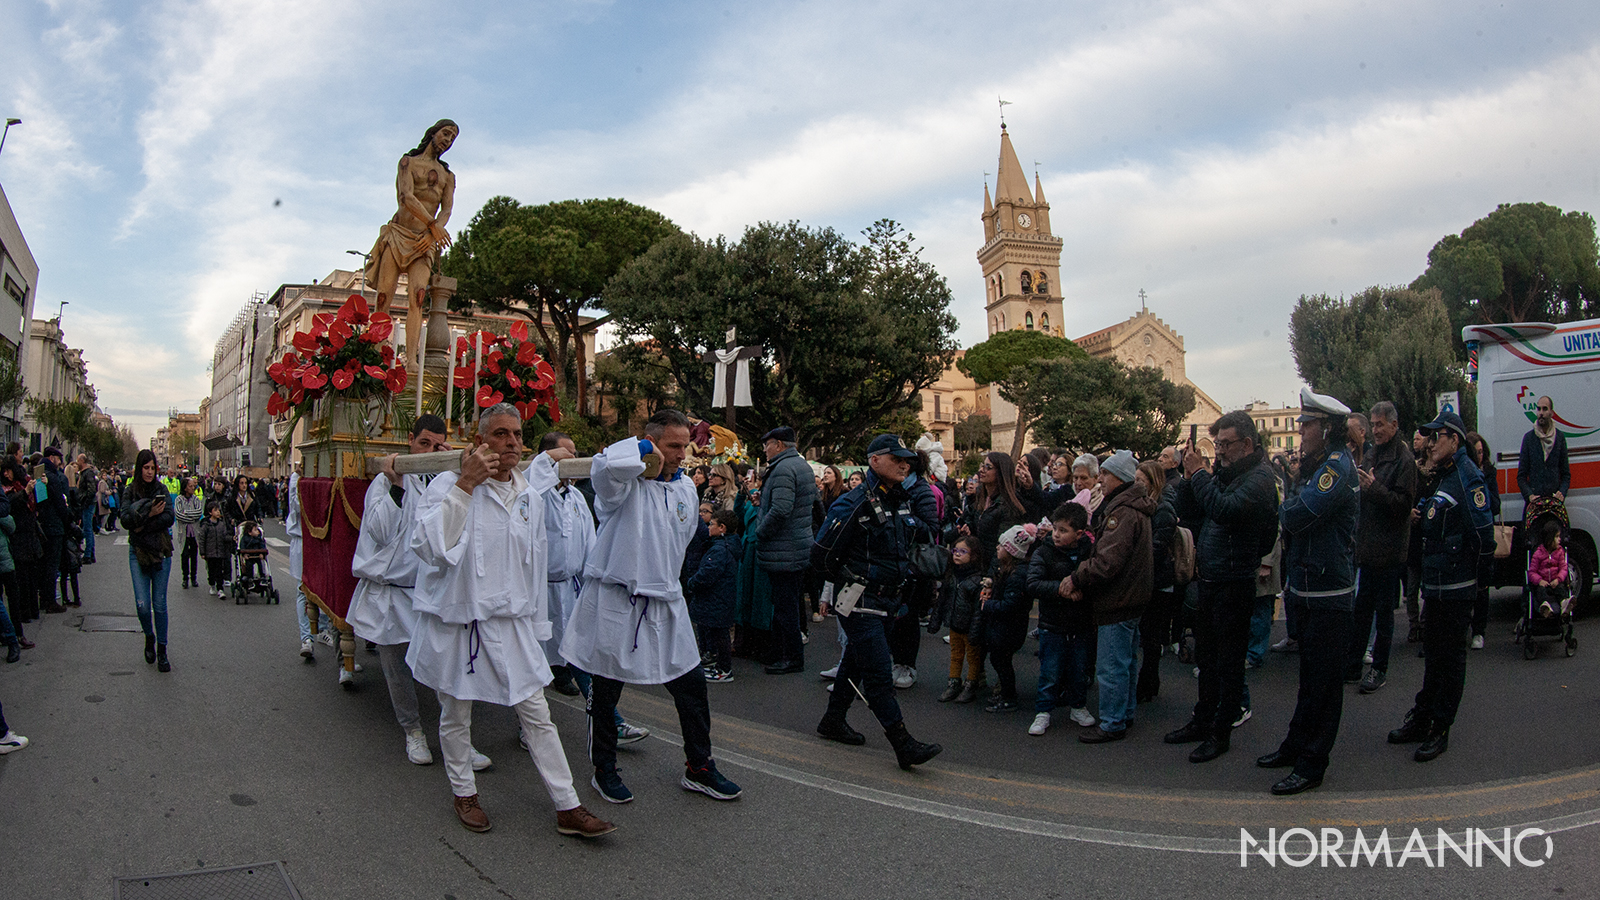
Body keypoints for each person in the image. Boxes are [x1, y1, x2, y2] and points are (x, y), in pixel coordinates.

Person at [407, 403, 614, 838]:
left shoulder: (528, 497)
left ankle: (567, 804)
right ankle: (464, 793)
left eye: (518, 435)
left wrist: (540, 629)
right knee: (456, 713)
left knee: (538, 713)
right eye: (501, 434)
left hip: (513, 623)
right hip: (463, 624)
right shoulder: (448, 484)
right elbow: (428, 547)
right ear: (481, 440)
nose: (512, 443)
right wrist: (465, 485)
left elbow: (534, 566)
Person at [562, 408, 743, 804]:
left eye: (685, 446)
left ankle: (699, 767)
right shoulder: (620, 487)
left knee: (692, 688)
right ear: (652, 444)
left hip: (665, 603)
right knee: (606, 690)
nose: (682, 454)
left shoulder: (684, 490)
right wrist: (643, 452)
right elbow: (607, 468)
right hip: (617, 601)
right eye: (672, 446)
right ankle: (604, 769)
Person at [812, 433, 942, 768]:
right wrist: (853, 579)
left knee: (856, 661)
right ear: (874, 461)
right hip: (860, 601)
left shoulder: (900, 499)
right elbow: (823, 556)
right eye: (896, 458)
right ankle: (903, 744)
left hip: (888, 600)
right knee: (878, 674)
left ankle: (832, 719)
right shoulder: (853, 502)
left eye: (907, 460)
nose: (904, 464)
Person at [350, 414, 472, 767]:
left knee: (442, 668)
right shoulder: (385, 482)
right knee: (398, 672)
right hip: (390, 596)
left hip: (428, 592)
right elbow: (380, 531)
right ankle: (413, 731)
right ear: (410, 440)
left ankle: (457, 739)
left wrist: (453, 473)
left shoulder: (445, 481)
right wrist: (397, 487)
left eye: (438, 446)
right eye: (425, 444)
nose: (431, 451)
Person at [1258, 388, 1359, 795]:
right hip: (1310, 587)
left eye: (1308, 425)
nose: (1302, 432)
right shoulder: (1319, 466)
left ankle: (1313, 762)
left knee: (1324, 683)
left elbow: (1297, 515)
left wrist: (1288, 505)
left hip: (1329, 592)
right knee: (1309, 680)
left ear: (1328, 427)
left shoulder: (1336, 467)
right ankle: (1296, 745)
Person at [1167, 411, 1280, 762]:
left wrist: (1200, 473)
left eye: (1226, 444)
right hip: (1214, 578)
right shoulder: (1229, 474)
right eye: (1217, 445)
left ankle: (1220, 732)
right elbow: (1189, 507)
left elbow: (1223, 508)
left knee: (1228, 663)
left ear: (1247, 444)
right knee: (1208, 656)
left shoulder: (1259, 478)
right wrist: (1191, 477)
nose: (1221, 452)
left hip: (1235, 581)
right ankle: (1203, 720)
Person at [1387, 410, 1495, 763]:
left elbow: (1483, 536)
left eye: (1437, 437)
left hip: (1455, 585)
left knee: (1449, 660)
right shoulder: (1445, 475)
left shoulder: (1467, 477)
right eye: (1429, 437)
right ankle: (1423, 717)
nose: (1431, 443)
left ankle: (1440, 727)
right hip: (1435, 584)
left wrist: (1468, 573)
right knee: (1433, 656)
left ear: (1454, 440)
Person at [1061, 450, 1154, 744]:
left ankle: (1113, 722)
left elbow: (1107, 562)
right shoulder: (1133, 507)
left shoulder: (1122, 512)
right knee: (1124, 662)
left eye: (1106, 474)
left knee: (1111, 665)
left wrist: (1076, 576)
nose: (1101, 479)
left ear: (1120, 478)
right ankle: (1123, 714)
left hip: (1119, 599)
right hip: (1132, 596)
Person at [366, 119, 458, 367]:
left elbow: (446, 210)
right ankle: (377, 352)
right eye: (445, 133)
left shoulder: (448, 176)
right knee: (384, 296)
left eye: (452, 138)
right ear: (433, 133)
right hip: (398, 234)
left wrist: (431, 233)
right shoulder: (408, 162)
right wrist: (433, 226)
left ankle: (412, 360)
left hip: (423, 241)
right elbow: (405, 197)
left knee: (417, 297)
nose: (448, 140)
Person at [1350, 401, 1419, 693]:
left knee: (1384, 613)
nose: (1375, 430)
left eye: (1380, 425)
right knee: (1362, 610)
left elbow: (1403, 506)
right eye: (1373, 424)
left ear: (1393, 424)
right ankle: (1353, 665)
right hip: (1367, 546)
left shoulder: (1404, 460)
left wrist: (1374, 489)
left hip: (1389, 550)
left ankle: (1379, 668)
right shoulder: (1372, 454)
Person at [1026, 502, 1096, 734]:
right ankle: (1043, 711)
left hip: (1080, 622)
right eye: (1055, 529)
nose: (1056, 534)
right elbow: (1033, 584)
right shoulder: (1044, 552)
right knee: (1050, 671)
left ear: (1079, 533)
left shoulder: (1088, 552)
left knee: (1079, 669)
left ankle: (1078, 706)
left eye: (1063, 530)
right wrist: (1060, 589)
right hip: (1052, 623)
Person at [755, 426, 819, 675]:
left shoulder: (783, 468)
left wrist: (760, 531)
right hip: (797, 545)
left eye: (767, 444)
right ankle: (780, 652)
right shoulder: (801, 466)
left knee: (785, 607)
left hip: (784, 548)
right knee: (788, 604)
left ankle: (790, 657)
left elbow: (781, 510)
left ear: (779, 445)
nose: (765, 449)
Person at [121, 449, 175, 672]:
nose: (150, 472)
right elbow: (125, 519)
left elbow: (169, 517)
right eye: (146, 468)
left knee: (159, 604)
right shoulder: (129, 491)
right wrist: (150, 515)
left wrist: (143, 524)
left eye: (153, 468)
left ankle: (162, 650)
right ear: (139, 468)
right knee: (143, 606)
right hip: (138, 552)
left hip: (160, 551)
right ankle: (149, 636)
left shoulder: (161, 489)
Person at [975, 523, 1037, 714]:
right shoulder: (1008, 572)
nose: (997, 548)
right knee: (999, 661)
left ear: (1010, 551)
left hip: (1008, 630)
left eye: (1001, 546)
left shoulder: (1017, 576)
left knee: (1002, 663)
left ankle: (1009, 696)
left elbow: (1010, 606)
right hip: (1004, 629)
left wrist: (988, 605)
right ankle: (1005, 693)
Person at [285, 466, 336, 663]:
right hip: (301, 539)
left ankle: (322, 629)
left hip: (319, 540)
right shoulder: (296, 479)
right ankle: (306, 638)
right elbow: (298, 505)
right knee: (302, 590)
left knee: (322, 589)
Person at [688, 509, 742, 682]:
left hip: (716, 598)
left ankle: (724, 669)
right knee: (715, 632)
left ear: (722, 528)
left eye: (712, 524)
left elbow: (707, 574)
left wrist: (692, 582)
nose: (708, 527)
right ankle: (716, 661)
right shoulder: (726, 545)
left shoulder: (719, 550)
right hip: (719, 597)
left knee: (720, 634)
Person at [938, 536, 986, 703]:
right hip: (954, 623)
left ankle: (971, 684)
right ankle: (953, 682)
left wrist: (975, 629)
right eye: (955, 550)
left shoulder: (977, 580)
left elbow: (978, 610)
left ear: (973, 555)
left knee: (972, 657)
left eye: (962, 551)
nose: (957, 554)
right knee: (955, 655)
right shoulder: (951, 576)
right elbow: (942, 600)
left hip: (969, 625)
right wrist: (937, 620)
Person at [1464, 431, 1500, 650]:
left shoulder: (1489, 473)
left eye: (1481, 452)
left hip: (1484, 536)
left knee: (1482, 586)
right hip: (1469, 536)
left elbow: (1495, 505)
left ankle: (1479, 630)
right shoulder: (1463, 474)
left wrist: (1482, 487)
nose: (1479, 456)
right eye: (1474, 452)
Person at [36, 447, 72, 615]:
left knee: (44, 565)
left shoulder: (40, 475)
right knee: (52, 565)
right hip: (54, 526)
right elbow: (60, 503)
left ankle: (44, 598)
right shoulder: (53, 478)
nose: (60, 462)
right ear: (52, 458)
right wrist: (68, 519)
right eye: (58, 458)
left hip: (43, 525)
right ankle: (50, 601)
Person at [1517, 395, 1570, 508]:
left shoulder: (1559, 438)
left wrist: (1562, 492)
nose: (1541, 412)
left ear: (1551, 413)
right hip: (1534, 506)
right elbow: (1521, 476)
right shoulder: (1528, 439)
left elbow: (1566, 474)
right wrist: (1529, 495)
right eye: (1538, 409)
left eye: (1545, 409)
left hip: (1554, 504)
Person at [174, 479, 203, 589]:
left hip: (194, 533)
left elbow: (198, 513)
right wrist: (189, 516)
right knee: (184, 555)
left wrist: (186, 513)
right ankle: (185, 578)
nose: (193, 488)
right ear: (185, 487)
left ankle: (194, 578)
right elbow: (178, 515)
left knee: (194, 556)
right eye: (190, 486)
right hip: (184, 532)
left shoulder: (195, 499)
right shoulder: (179, 500)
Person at [199, 503, 231, 596]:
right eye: (215, 510)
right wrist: (203, 552)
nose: (218, 512)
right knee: (211, 570)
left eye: (218, 510)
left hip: (220, 552)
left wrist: (231, 538)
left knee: (219, 570)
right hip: (210, 552)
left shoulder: (221, 524)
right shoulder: (206, 525)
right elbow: (202, 539)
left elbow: (224, 536)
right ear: (210, 512)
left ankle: (220, 588)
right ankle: (212, 585)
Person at [73, 454, 96, 564]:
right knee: (88, 529)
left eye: (78, 460)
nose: (77, 463)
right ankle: (90, 553)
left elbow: (91, 490)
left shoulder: (88, 473)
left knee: (87, 529)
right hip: (87, 503)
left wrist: (85, 502)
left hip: (88, 504)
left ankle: (88, 555)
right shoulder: (85, 473)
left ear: (82, 461)